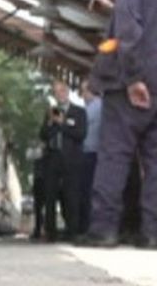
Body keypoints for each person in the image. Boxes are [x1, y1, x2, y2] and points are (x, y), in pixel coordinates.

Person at [83, 0, 157, 248]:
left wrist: (133, 79)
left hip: (131, 85)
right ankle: (152, 232)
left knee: (115, 155)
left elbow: (131, 30)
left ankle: (104, 228)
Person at [39, 79, 86, 240]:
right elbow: (43, 135)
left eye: (61, 91)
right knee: (50, 195)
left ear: (67, 92)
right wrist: (51, 123)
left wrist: (63, 123)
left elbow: (80, 134)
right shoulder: (51, 112)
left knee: (71, 194)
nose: (59, 94)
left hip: (71, 159)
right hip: (53, 158)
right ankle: (50, 232)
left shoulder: (79, 112)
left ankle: (73, 231)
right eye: (56, 91)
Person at [78, 83, 102, 235]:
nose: (81, 95)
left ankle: (89, 227)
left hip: (90, 153)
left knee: (87, 192)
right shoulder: (99, 106)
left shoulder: (94, 108)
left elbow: (80, 129)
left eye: (82, 91)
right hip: (95, 153)